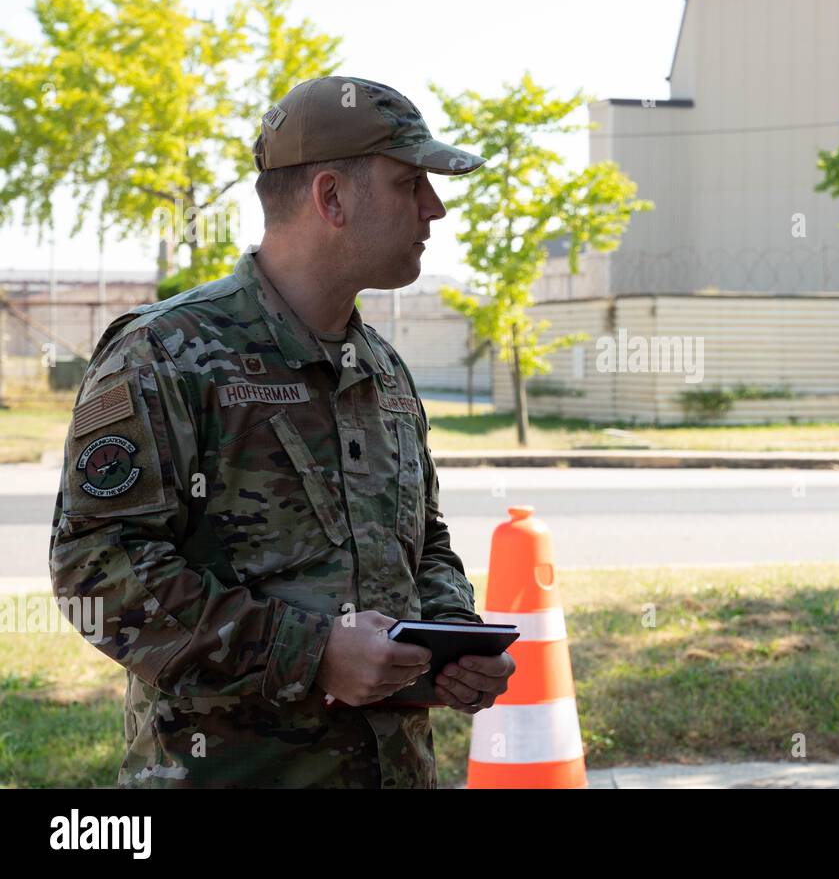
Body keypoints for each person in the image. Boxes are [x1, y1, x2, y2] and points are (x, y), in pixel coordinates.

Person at [48, 75, 515, 788]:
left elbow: (427, 544)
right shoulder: (165, 352)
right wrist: (314, 653)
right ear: (331, 198)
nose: (436, 209)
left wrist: (451, 638)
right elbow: (95, 571)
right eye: (409, 185)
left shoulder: (381, 368)